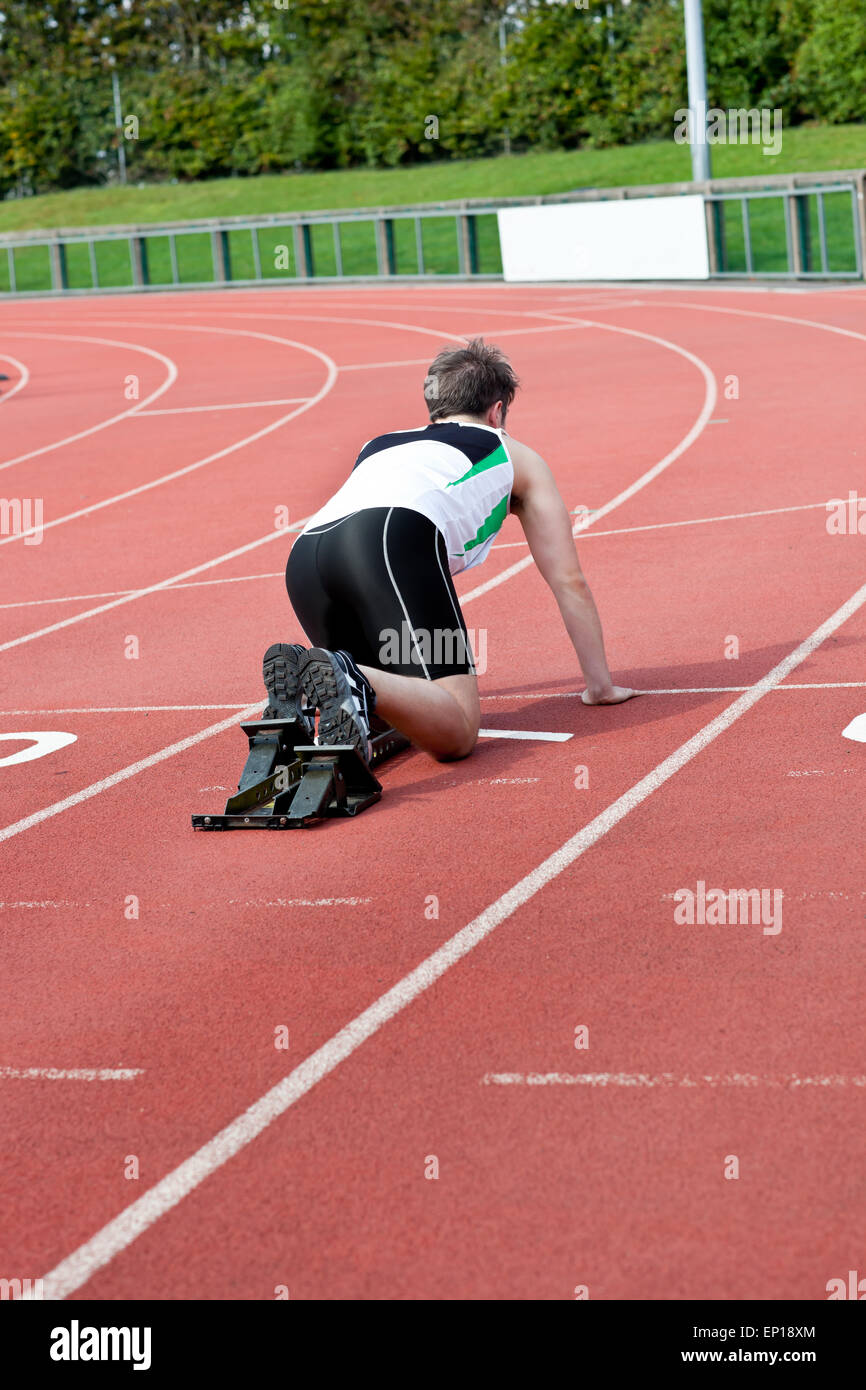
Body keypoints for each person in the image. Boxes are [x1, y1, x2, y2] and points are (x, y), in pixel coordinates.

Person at [263, 338, 634, 763]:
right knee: (457, 730)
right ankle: (345, 670)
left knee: (386, 710)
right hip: (390, 540)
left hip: (307, 556)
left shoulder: (380, 443)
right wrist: (599, 687)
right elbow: (568, 579)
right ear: (497, 411)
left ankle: (321, 670)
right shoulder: (514, 454)